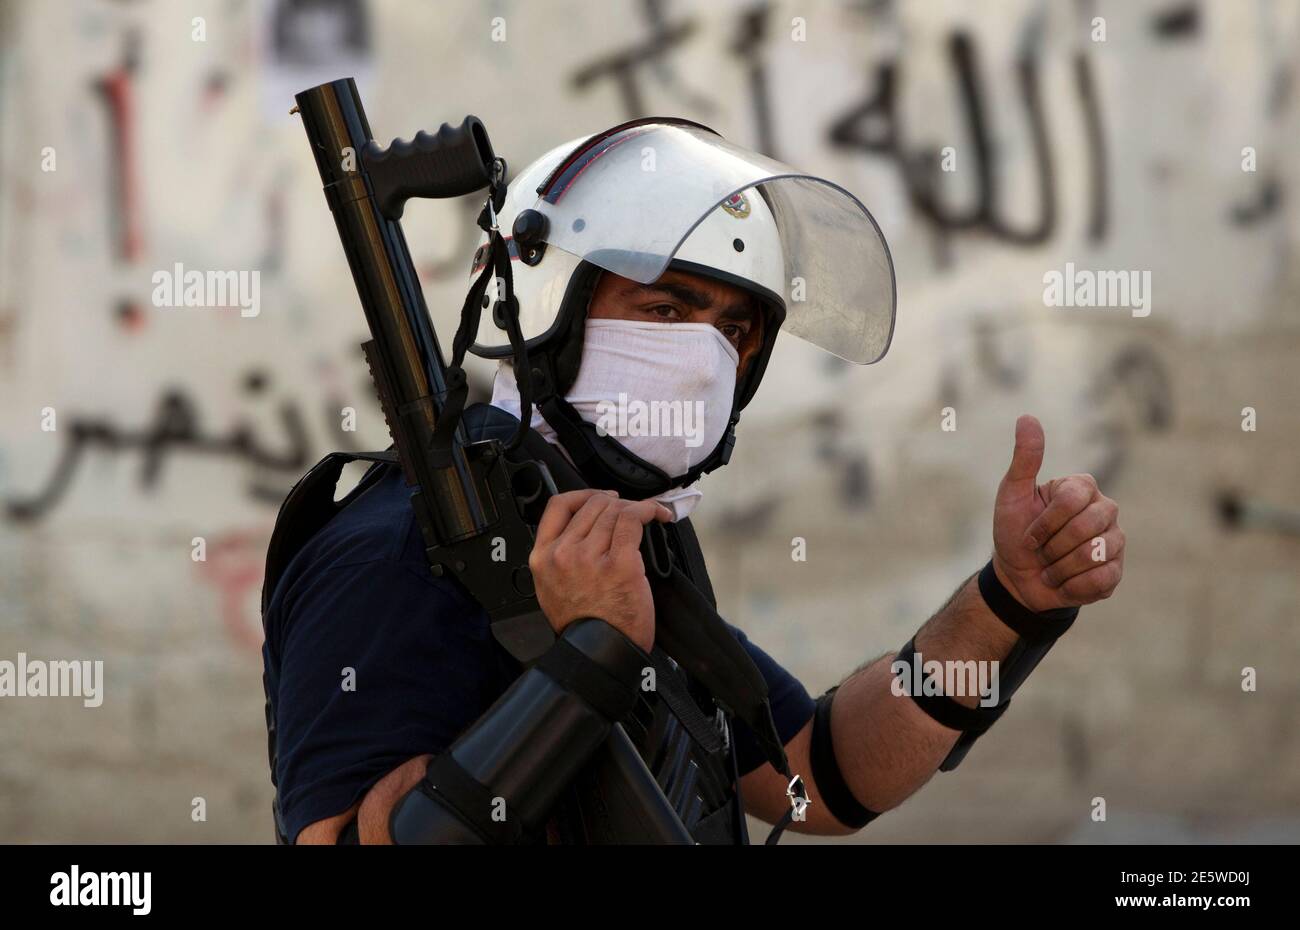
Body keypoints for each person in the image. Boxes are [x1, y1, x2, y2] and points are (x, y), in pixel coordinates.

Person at [261, 118, 1125, 844]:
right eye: (666, 310)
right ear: (550, 300)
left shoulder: (629, 537)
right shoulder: (395, 555)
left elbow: (817, 773)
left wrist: (1007, 602)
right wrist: (590, 655)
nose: (705, 356)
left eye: (735, 329)